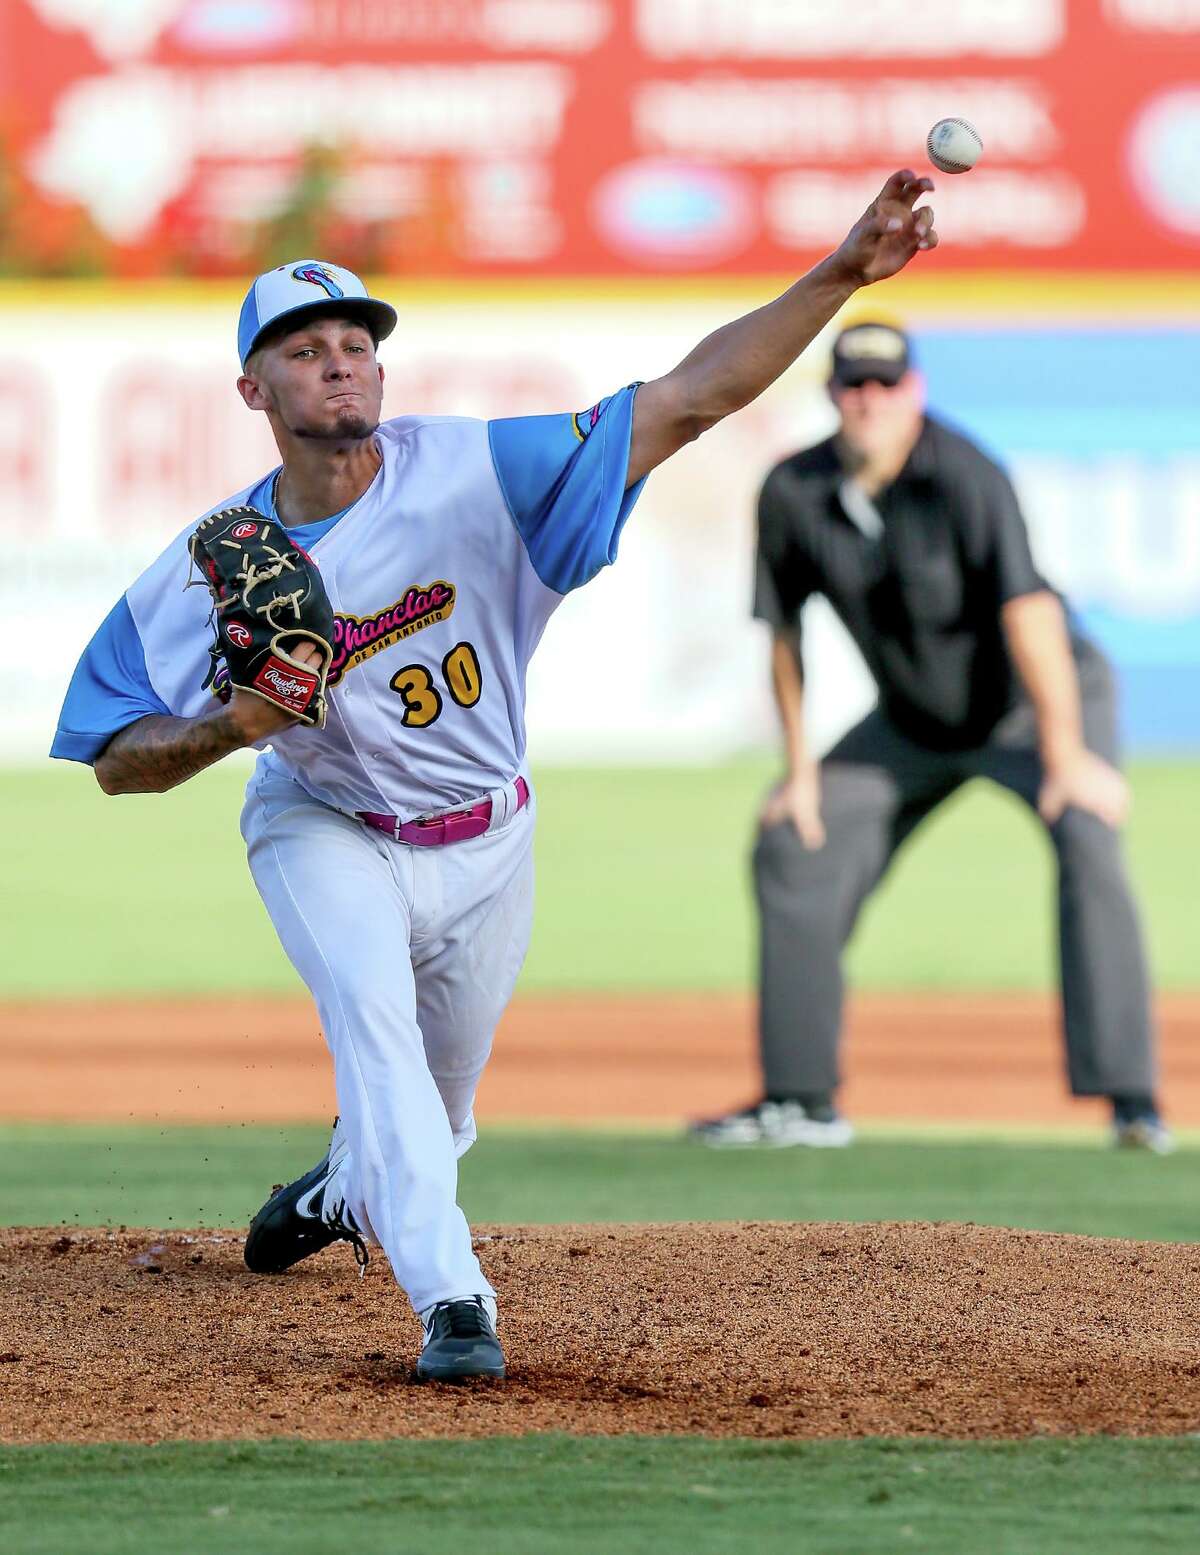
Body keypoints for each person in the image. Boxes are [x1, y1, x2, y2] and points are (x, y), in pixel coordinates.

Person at [52, 174, 939, 1382]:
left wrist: (840, 274)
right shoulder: (213, 564)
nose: (340, 365)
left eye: (357, 343)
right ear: (254, 391)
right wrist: (234, 724)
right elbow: (112, 759)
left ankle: (350, 1187)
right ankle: (453, 1302)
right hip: (328, 824)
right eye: (305, 350)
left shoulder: (479, 472)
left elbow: (687, 401)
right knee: (379, 1047)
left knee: (439, 1113)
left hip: (489, 839)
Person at [691, 321, 1169, 1156]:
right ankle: (802, 1100)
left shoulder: (965, 473)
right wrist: (798, 772)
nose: (868, 401)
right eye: (853, 386)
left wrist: (1065, 752)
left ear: (913, 391)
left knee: (1089, 826)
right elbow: (782, 637)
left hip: (1033, 697)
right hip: (913, 719)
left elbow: (1031, 612)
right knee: (794, 843)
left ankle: (1132, 1100)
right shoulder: (794, 492)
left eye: (885, 385)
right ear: (833, 395)